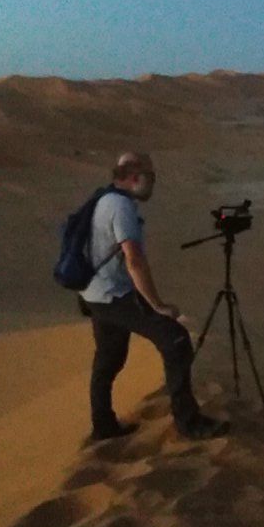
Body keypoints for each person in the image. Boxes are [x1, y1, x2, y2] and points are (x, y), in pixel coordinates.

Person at [80, 152, 230, 441]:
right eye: (151, 178)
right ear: (136, 178)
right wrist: (157, 305)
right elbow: (134, 259)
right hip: (112, 294)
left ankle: (103, 424)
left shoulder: (104, 198)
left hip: (94, 292)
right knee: (175, 340)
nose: (153, 185)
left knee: (109, 358)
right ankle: (189, 422)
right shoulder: (121, 206)